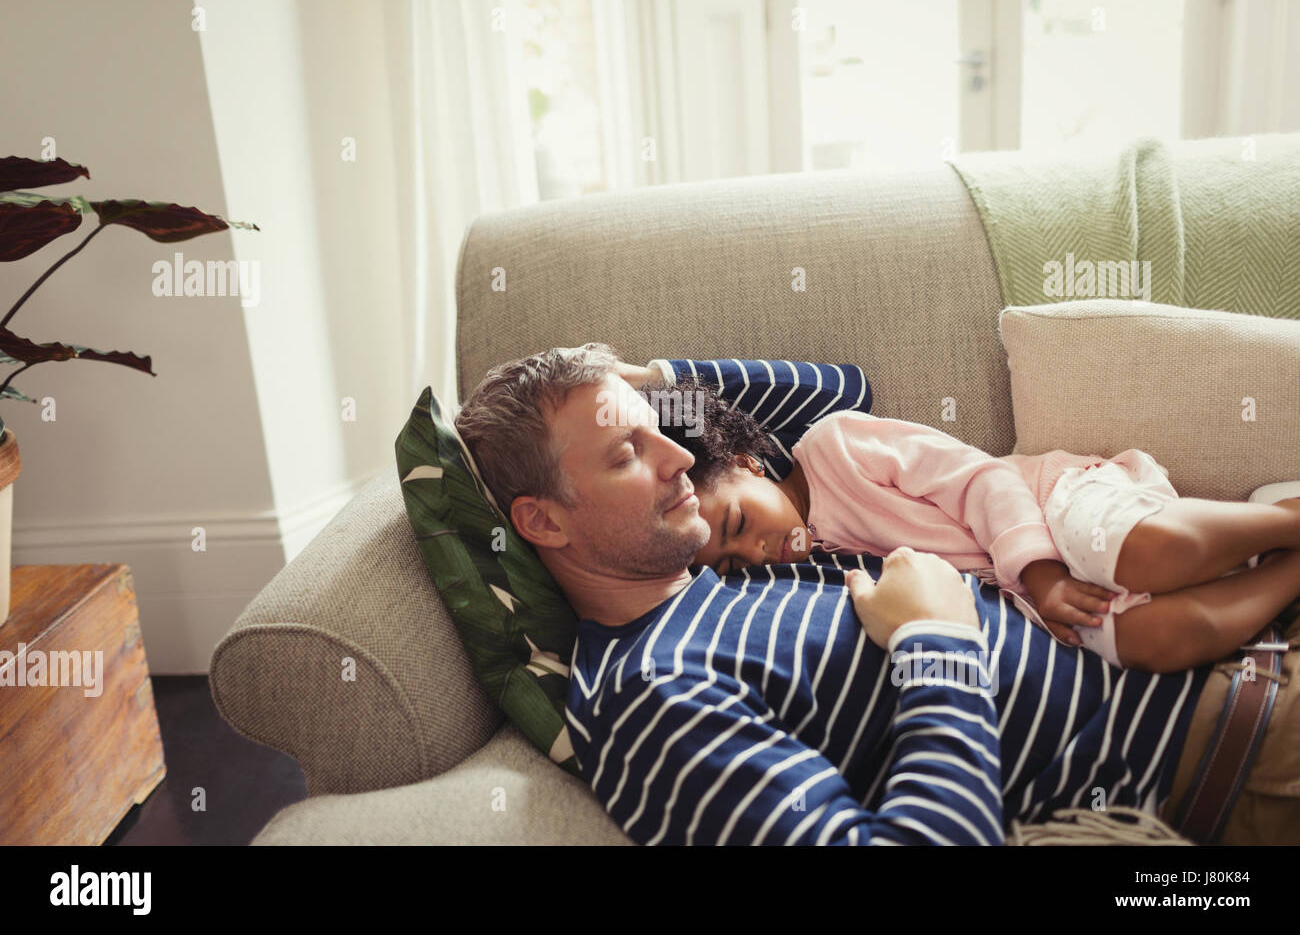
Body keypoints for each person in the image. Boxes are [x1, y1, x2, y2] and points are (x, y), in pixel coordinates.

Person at [453, 344, 1298, 844]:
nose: (676, 458)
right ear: (543, 523)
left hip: (1249, 653)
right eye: (625, 455)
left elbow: (830, 395)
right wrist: (939, 643)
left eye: (657, 431)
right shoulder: (656, 693)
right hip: (1229, 762)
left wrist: (654, 380)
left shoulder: (752, 554)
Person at [656, 376, 1300, 673]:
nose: (759, 552)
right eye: (734, 564)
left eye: (739, 522)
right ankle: (1288, 573)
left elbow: (976, 479)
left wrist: (1043, 574)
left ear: (749, 464)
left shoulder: (835, 446)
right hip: (1043, 598)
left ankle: (1281, 520)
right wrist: (1041, 599)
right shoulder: (819, 569)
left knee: (1125, 556)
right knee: (1142, 641)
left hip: (1058, 504)